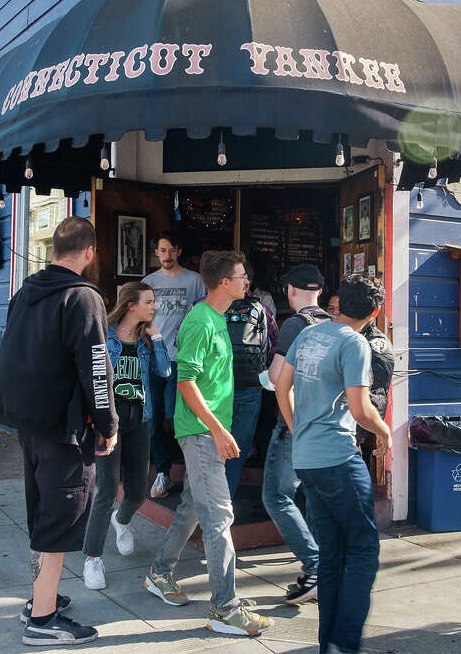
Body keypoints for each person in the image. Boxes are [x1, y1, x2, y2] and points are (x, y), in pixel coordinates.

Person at [0, 217, 118, 646]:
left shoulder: (26, 292)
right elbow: (96, 367)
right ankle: (42, 623)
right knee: (61, 517)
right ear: (89, 252)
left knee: (44, 512)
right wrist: (108, 424)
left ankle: (39, 599)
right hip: (64, 428)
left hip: (27, 422)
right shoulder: (82, 298)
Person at [144, 250, 274, 637]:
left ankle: (160, 572)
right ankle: (224, 608)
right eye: (241, 276)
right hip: (201, 433)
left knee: (191, 510)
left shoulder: (217, 317)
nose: (246, 281)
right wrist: (218, 430)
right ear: (223, 283)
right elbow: (185, 383)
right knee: (220, 519)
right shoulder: (200, 321)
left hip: (208, 430)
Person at [275, 275, 392, 654]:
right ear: (374, 311)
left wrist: (298, 428)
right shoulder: (355, 343)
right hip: (338, 459)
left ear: (339, 302)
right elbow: (360, 409)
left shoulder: (310, 333)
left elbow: (281, 384)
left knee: (331, 555)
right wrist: (385, 433)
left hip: (307, 458)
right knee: (363, 551)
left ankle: (330, 643)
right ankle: (342, 642)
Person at [80, 282, 170, 590]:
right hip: (110, 424)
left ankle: (123, 520)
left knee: (136, 492)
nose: (153, 306)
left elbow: (164, 372)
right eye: (149, 301)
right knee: (105, 491)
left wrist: (157, 336)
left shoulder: (146, 341)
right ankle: (92, 559)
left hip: (140, 422)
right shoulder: (104, 337)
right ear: (131, 305)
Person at [262, 263, 329, 605]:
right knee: (315, 499)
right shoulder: (335, 327)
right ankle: (326, 570)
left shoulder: (295, 325)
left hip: (295, 424)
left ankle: (316, 567)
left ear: (291, 291)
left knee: (276, 495)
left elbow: (276, 378)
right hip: (326, 427)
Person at [144, 231, 207, 498]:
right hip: (152, 357)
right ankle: (162, 473)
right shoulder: (148, 282)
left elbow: (206, 313)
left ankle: (194, 470)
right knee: (153, 418)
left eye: (171, 250)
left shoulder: (195, 281)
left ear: (178, 251)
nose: (167, 256)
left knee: (175, 415)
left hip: (180, 358)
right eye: (162, 251)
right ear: (156, 252)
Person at [223, 265, 277, 497]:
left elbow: (181, 343)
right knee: (238, 447)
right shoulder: (261, 309)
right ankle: (227, 501)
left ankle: (207, 507)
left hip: (214, 390)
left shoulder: (202, 307)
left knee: (207, 448)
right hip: (250, 387)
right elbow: (274, 348)